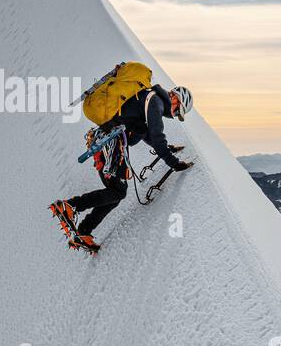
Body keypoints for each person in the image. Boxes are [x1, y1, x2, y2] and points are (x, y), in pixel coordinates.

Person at [50, 84, 194, 254]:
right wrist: (175, 163)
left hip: (108, 142)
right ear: (176, 98)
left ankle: (83, 231)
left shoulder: (150, 99)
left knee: (117, 192)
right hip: (110, 144)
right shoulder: (156, 101)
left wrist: (166, 148)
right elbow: (156, 136)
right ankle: (70, 206)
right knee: (118, 191)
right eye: (178, 111)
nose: (175, 114)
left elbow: (146, 134)